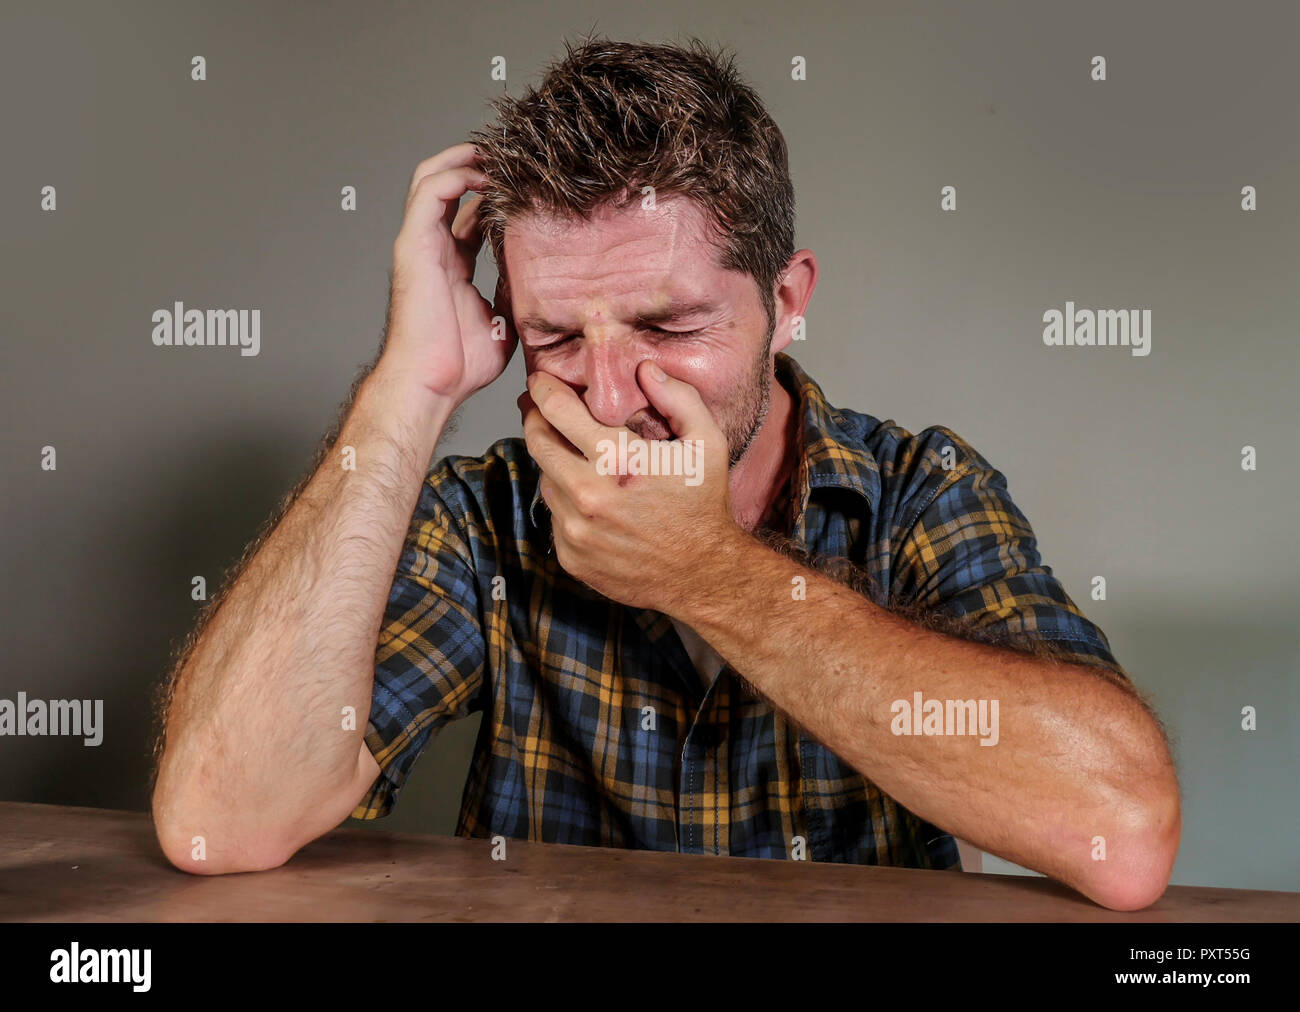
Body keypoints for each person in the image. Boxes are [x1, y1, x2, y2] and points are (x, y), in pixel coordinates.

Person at [150, 36, 1180, 911]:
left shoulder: (918, 491)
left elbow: (1121, 833)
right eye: (553, 335)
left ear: (786, 300)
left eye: (668, 325)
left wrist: (704, 571)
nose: (606, 394)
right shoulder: (486, 521)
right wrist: (408, 388)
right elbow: (219, 819)